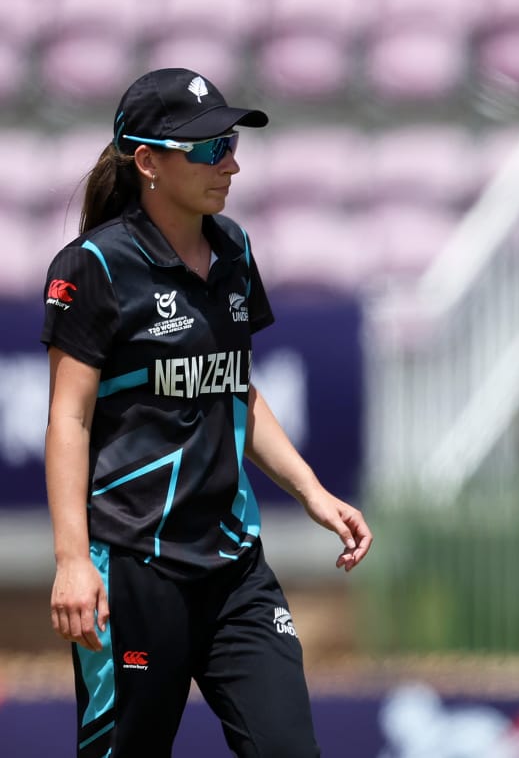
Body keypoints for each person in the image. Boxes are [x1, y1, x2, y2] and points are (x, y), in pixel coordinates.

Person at [43, 68, 373, 757]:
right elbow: (67, 420)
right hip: (132, 569)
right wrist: (74, 561)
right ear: (147, 162)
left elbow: (236, 389)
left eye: (227, 143)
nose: (231, 163)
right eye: (206, 149)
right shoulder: (93, 267)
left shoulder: (234, 249)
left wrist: (312, 492)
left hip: (234, 568)